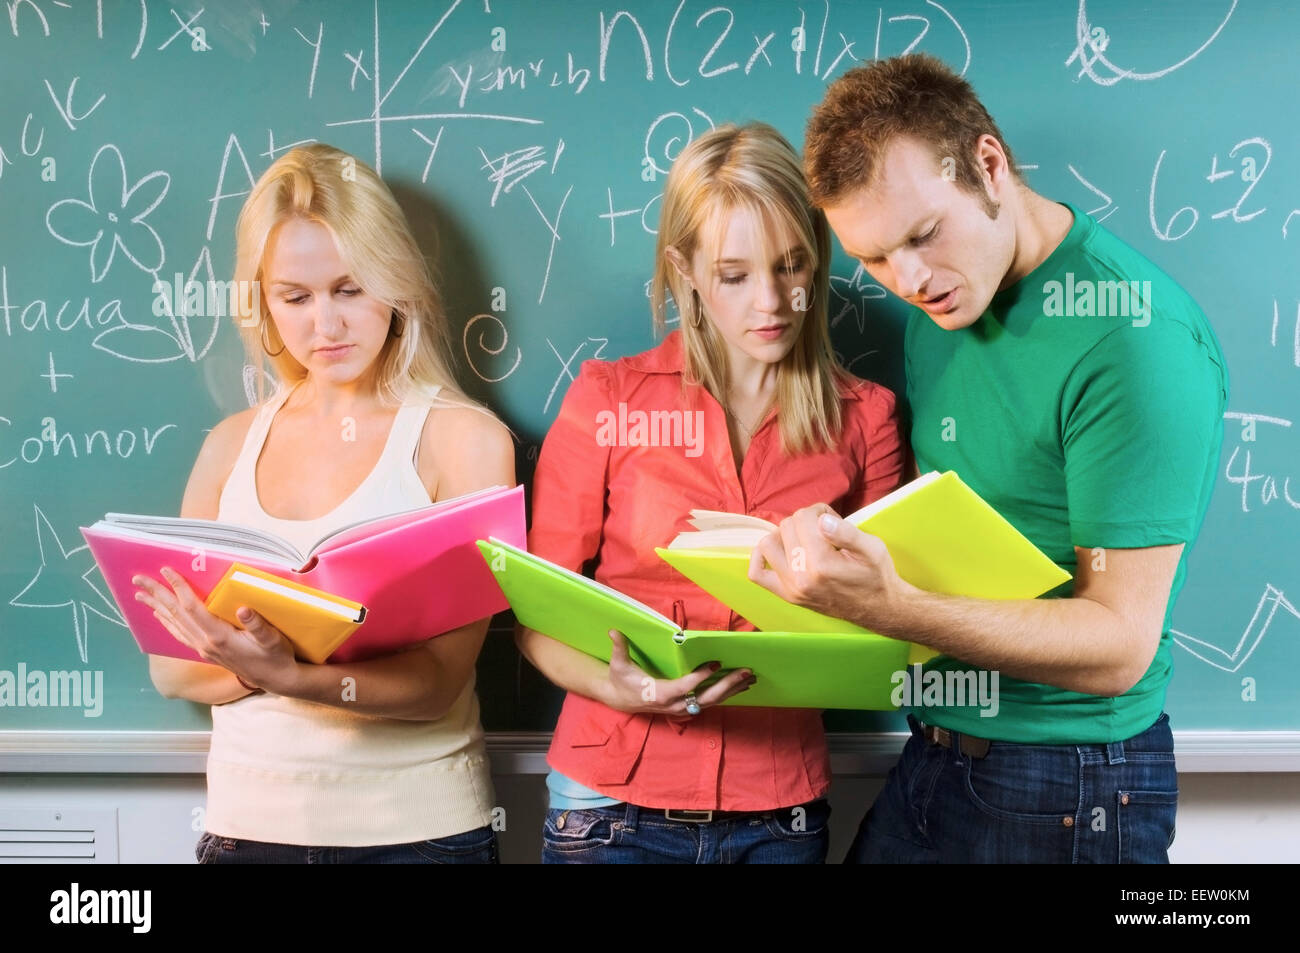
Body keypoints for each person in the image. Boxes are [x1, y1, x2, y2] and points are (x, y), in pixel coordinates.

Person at [751, 53, 1228, 863]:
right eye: (872, 257)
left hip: (1070, 784)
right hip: (936, 753)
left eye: (922, 235)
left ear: (990, 165)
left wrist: (892, 606)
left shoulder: (1134, 342)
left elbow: (1119, 644)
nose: (907, 280)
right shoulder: (939, 302)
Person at [517, 122, 905, 864]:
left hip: (778, 810)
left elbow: (886, 627)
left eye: (793, 265)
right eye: (734, 274)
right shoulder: (607, 398)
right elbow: (537, 621)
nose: (773, 301)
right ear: (685, 268)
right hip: (609, 802)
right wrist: (619, 686)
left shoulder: (867, 416)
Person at [133, 143, 514, 864]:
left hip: (416, 834)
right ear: (264, 303)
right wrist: (280, 666)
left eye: (350, 287)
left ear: (394, 281)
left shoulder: (466, 441)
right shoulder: (229, 445)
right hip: (249, 828)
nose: (326, 326)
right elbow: (174, 668)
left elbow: (436, 684)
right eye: (295, 297)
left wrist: (282, 672)